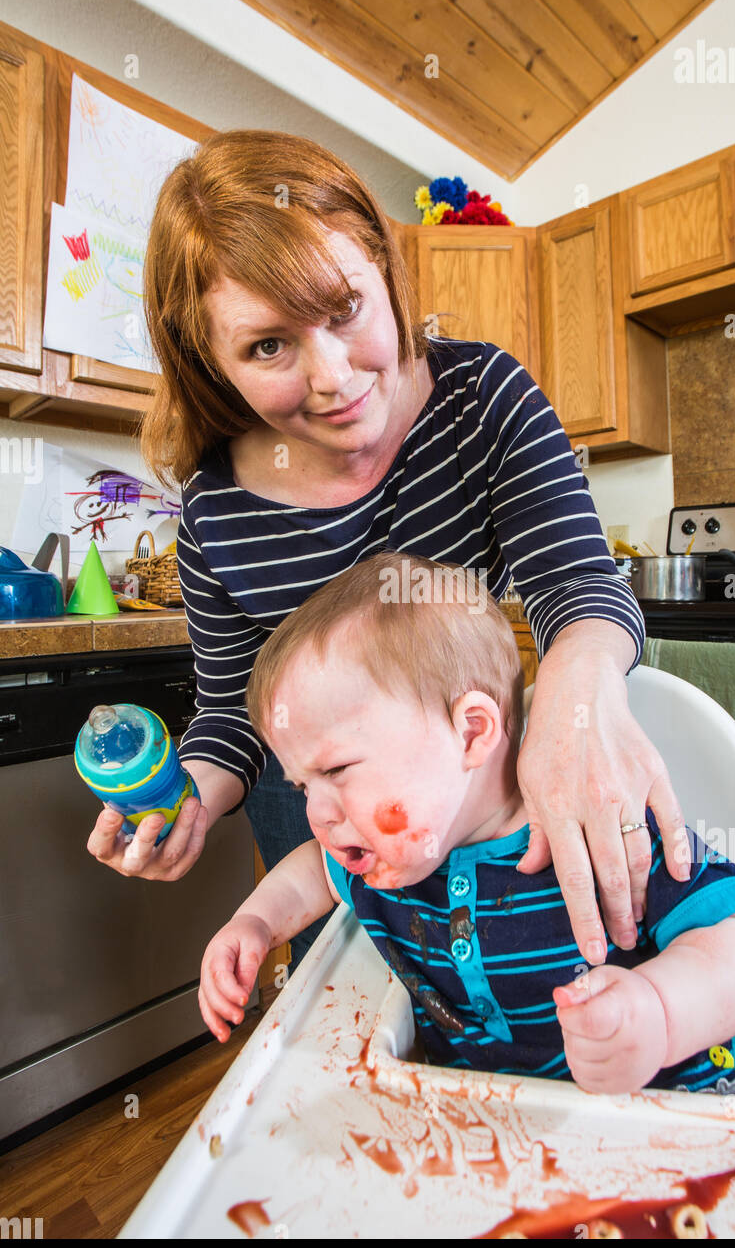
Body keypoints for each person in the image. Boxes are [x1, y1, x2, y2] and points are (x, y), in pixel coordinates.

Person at [86, 128, 692, 975]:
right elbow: (229, 718)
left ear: (384, 267)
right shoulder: (215, 509)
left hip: (473, 803)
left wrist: (575, 699)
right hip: (318, 826)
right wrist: (185, 804)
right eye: (269, 346)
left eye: (345, 311)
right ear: (209, 363)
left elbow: (577, 581)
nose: (334, 378)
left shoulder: (482, 398)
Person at [199, 551, 735, 1098]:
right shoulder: (392, 861)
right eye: (304, 784)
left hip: (706, 1102)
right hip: (520, 1133)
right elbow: (312, 873)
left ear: (472, 732)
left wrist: (660, 1013)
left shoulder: (595, 829)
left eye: (336, 769)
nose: (317, 813)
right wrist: (254, 923)